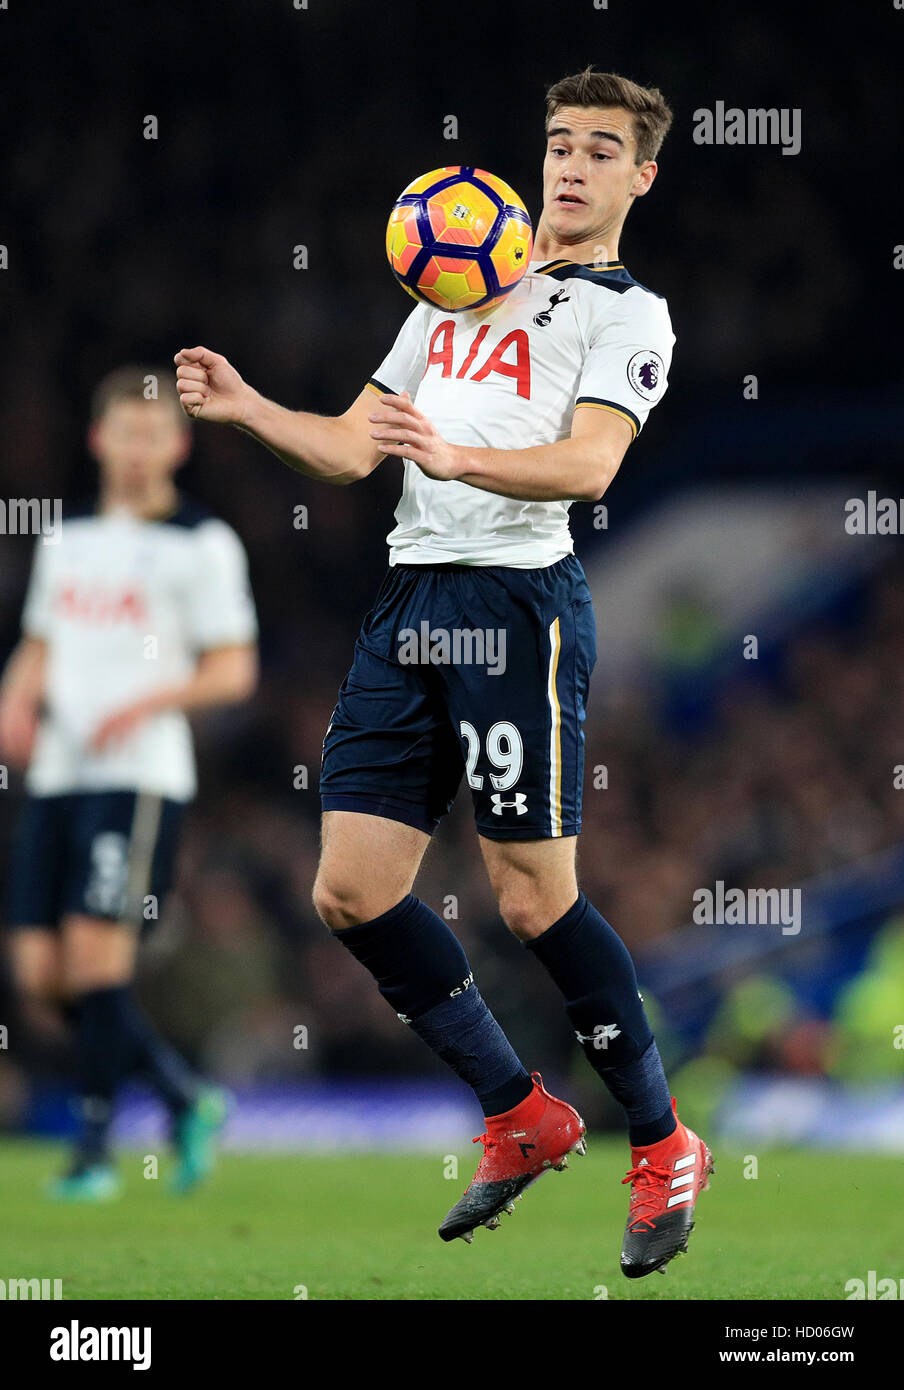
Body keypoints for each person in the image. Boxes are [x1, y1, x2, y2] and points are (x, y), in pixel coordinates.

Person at [173, 68, 712, 1277]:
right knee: (350, 891)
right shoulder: (452, 288)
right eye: (557, 142)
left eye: (598, 150)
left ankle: (664, 1137)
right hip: (411, 597)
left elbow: (587, 469)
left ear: (641, 175)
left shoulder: (628, 315)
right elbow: (355, 450)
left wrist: (458, 451)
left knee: (530, 899)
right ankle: (520, 1111)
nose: (569, 166)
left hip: (520, 607)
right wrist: (253, 406)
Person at [0, 366, 259, 1199]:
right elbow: (41, 638)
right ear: (98, 439)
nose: (139, 448)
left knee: (95, 959)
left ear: (179, 446)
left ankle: (94, 1153)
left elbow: (233, 668)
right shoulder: (65, 538)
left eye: (156, 434)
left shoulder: (204, 544)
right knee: (41, 975)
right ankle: (184, 1094)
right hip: (60, 771)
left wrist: (148, 700)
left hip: (139, 775)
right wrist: (14, 699)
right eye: (126, 431)